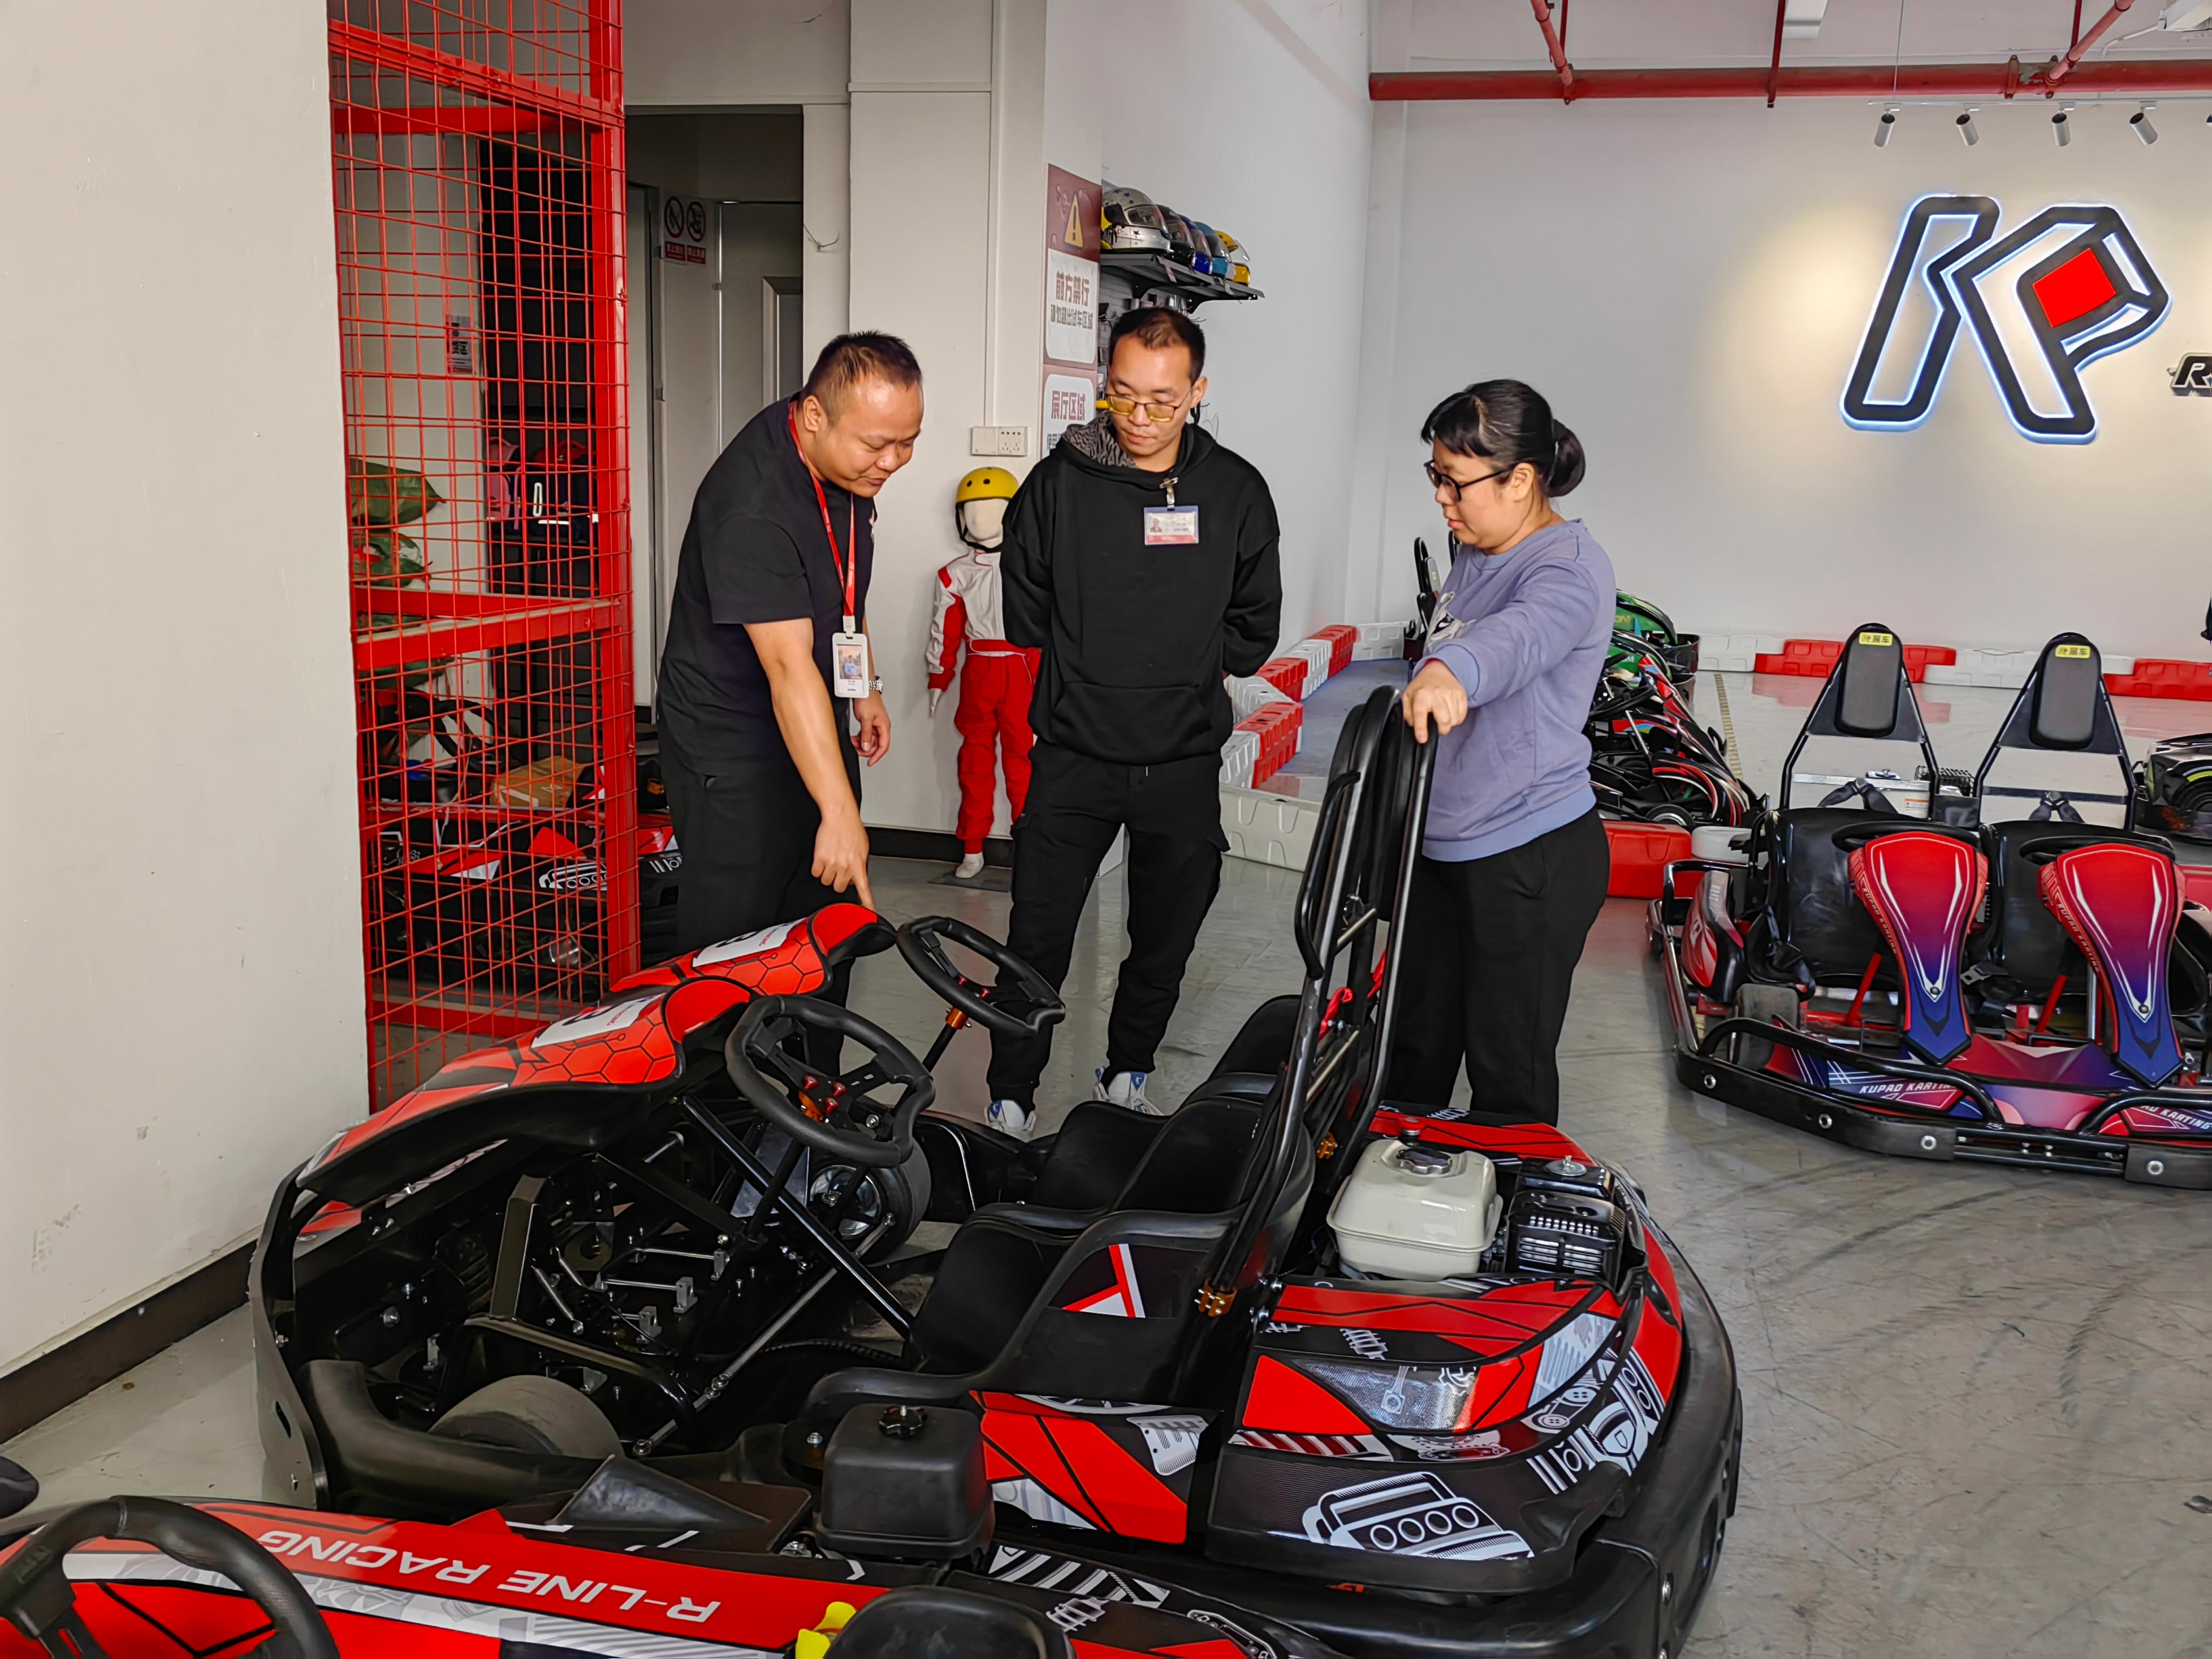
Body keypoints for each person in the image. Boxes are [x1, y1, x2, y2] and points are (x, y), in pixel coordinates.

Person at [986, 306, 1283, 1139]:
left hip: (1181, 760)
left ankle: (1128, 1075)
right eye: (1123, 395)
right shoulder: (1057, 486)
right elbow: (1025, 614)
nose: (1141, 417)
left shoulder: (1235, 492)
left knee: (1164, 938)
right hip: (1073, 756)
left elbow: (1254, 627)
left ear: (1198, 391)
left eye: (1163, 400)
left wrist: (1179, 661)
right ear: (1104, 385)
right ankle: (1010, 1099)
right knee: (1036, 939)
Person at [653, 332, 922, 1020]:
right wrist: (840, 812)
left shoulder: (846, 468)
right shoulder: (752, 506)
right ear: (814, 417)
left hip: (810, 717)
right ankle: (722, 1082)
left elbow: (841, 589)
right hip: (730, 743)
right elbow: (786, 664)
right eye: (877, 445)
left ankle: (811, 1075)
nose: (892, 462)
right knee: (736, 938)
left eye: (908, 442)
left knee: (826, 911)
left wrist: (864, 688)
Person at [1392, 380, 1613, 1125]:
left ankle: (1511, 1189)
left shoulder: (1569, 567)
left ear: (1520, 480)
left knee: (1507, 1072)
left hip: (1527, 852)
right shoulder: (1476, 550)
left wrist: (1452, 670)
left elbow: (1522, 635)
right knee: (1411, 1050)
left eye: (1454, 482)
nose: (1441, 499)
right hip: (1445, 845)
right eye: (1436, 476)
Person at [927, 466, 1038, 881]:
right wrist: (938, 676)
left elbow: (1047, 628)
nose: (979, 520)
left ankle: (1028, 847)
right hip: (979, 670)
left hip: (1021, 669)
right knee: (973, 762)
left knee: (1023, 762)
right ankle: (972, 846)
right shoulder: (955, 574)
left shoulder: (1032, 569)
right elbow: (945, 631)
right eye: (972, 511)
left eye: (991, 510)